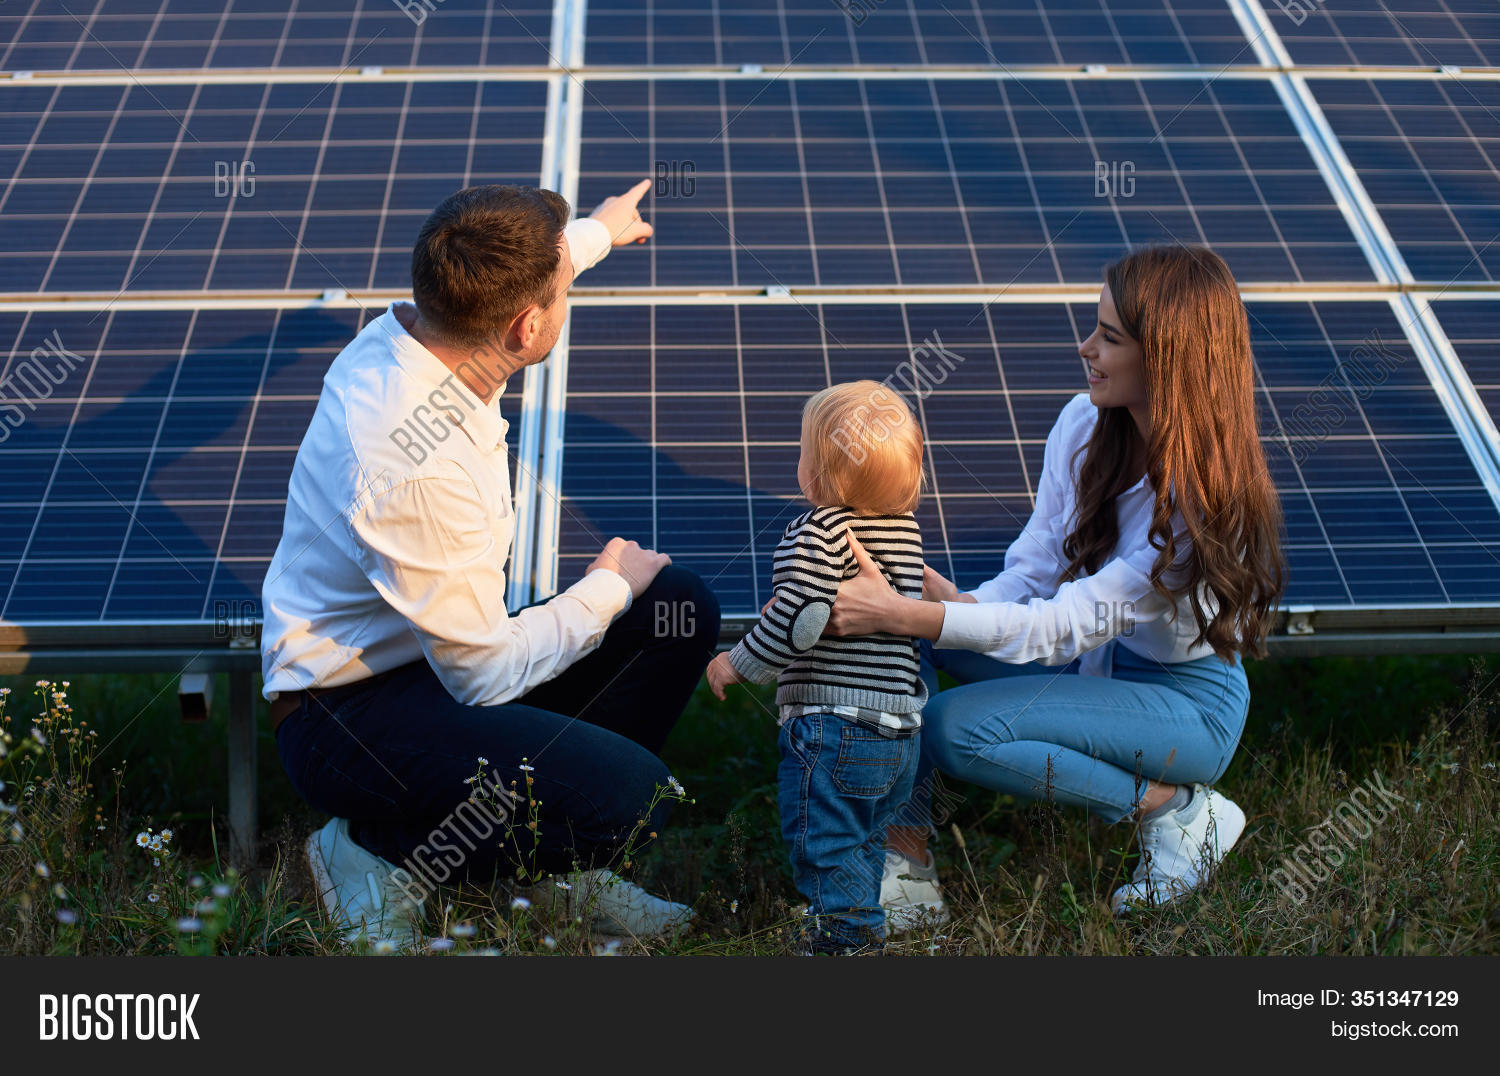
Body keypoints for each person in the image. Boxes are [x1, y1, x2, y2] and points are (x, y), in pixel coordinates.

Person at [260, 180, 720, 948]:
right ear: (526, 325)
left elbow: (528, 280)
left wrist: (600, 233)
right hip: (345, 714)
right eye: (559, 293)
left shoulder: (426, 325)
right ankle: (372, 855)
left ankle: (551, 852)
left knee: (675, 608)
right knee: (629, 801)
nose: (564, 299)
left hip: (427, 656)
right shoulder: (412, 463)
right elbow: (482, 676)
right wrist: (604, 586)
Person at [825, 244, 1286, 926]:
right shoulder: (1082, 424)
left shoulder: (1201, 503)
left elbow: (1058, 625)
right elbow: (1036, 570)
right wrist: (958, 606)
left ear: (1166, 358)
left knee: (954, 730)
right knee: (906, 629)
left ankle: (1179, 813)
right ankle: (904, 860)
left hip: (1187, 703)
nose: (1085, 346)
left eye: (1109, 336)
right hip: (1095, 658)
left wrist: (917, 616)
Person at [706, 381, 927, 953]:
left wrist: (738, 661)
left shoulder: (819, 529)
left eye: (803, 453)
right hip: (901, 730)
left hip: (837, 726)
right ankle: (861, 925)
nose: (796, 462)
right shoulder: (906, 534)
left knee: (825, 846)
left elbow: (801, 621)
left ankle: (847, 945)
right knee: (865, 839)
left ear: (822, 478)